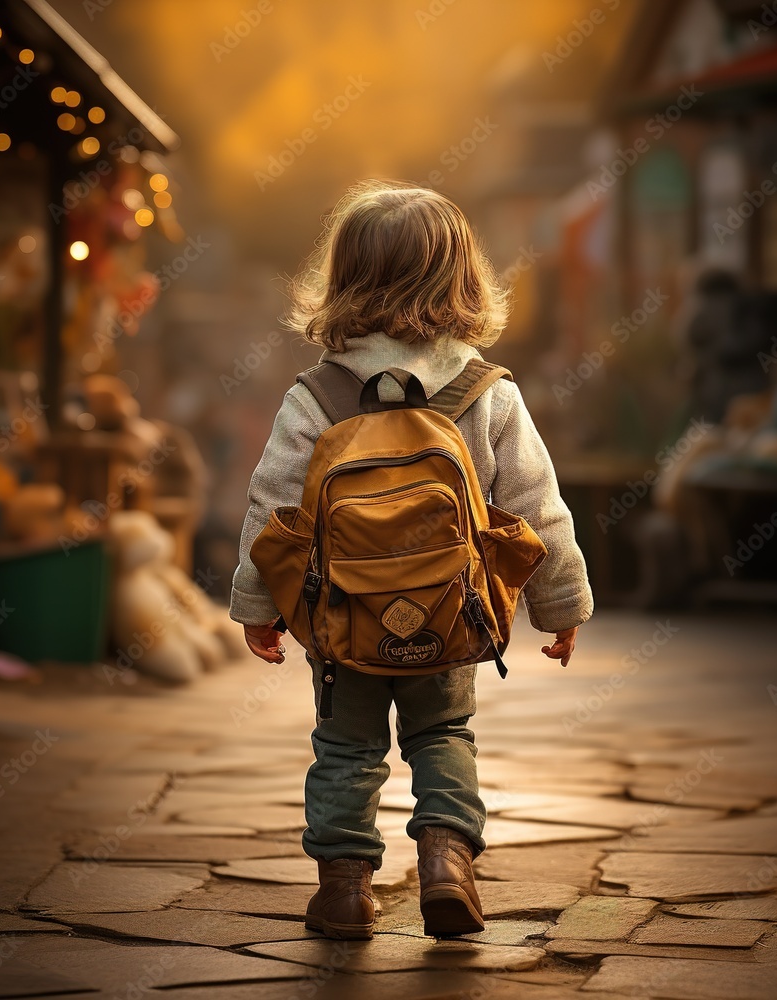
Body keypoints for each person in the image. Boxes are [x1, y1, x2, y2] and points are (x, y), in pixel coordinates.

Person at [230, 180, 593, 939]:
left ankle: (343, 891)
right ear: (463, 278)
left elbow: (272, 509)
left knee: (344, 747)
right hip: (451, 616)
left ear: (344, 278)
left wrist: (258, 608)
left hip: (342, 621)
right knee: (443, 737)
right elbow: (537, 504)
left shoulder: (318, 394)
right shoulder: (486, 391)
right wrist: (559, 608)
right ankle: (446, 867)